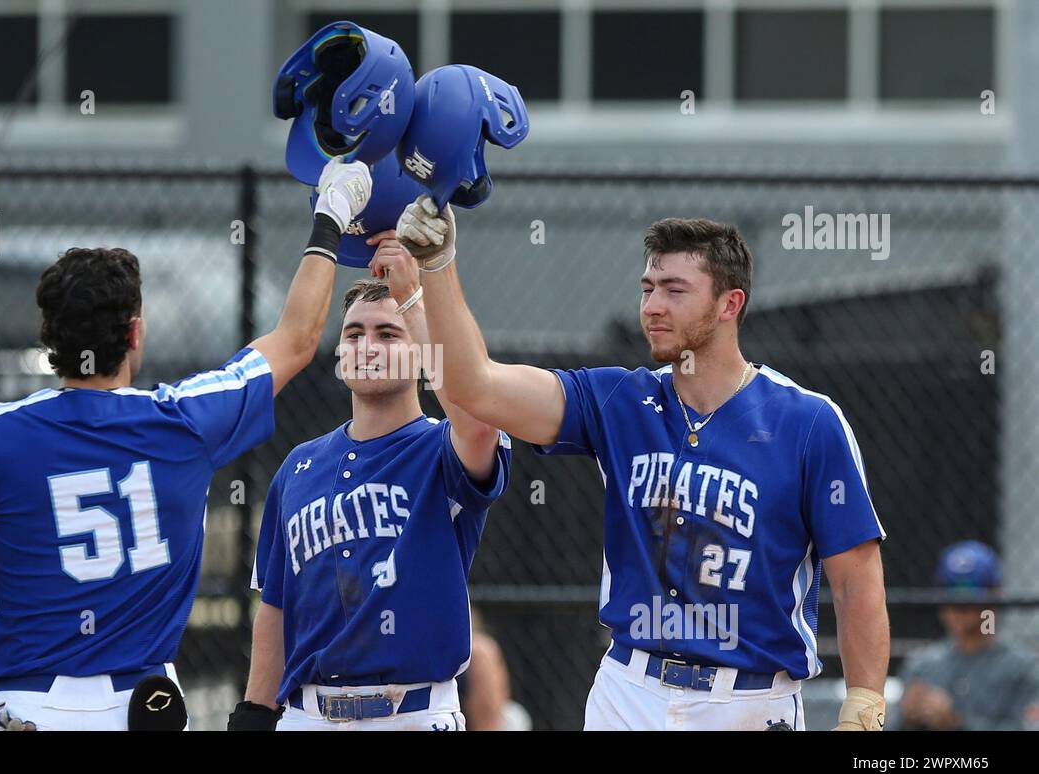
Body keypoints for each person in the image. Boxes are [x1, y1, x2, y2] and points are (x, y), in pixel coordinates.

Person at [0, 157, 374, 731]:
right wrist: (331, 214)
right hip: (141, 709)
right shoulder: (185, 420)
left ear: (50, 339)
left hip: (28, 708)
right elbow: (297, 340)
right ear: (135, 332)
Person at [399, 203, 889, 731]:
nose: (653, 305)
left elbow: (855, 579)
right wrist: (438, 265)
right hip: (629, 691)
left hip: (749, 702)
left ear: (730, 303)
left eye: (675, 290)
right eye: (647, 287)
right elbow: (478, 386)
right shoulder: (619, 400)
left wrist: (863, 705)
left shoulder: (808, 422)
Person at [229, 232, 510, 731]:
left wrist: (415, 302)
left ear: (418, 347)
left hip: (413, 712)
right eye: (354, 334)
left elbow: (481, 420)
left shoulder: (443, 447)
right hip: (307, 714)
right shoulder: (298, 466)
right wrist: (254, 710)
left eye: (388, 333)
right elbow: (275, 605)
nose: (368, 346)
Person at [894, 541, 1039, 731]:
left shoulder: (1023, 669)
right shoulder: (922, 666)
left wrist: (956, 724)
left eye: (968, 596)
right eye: (950, 592)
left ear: (994, 597)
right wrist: (907, 719)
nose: (958, 606)